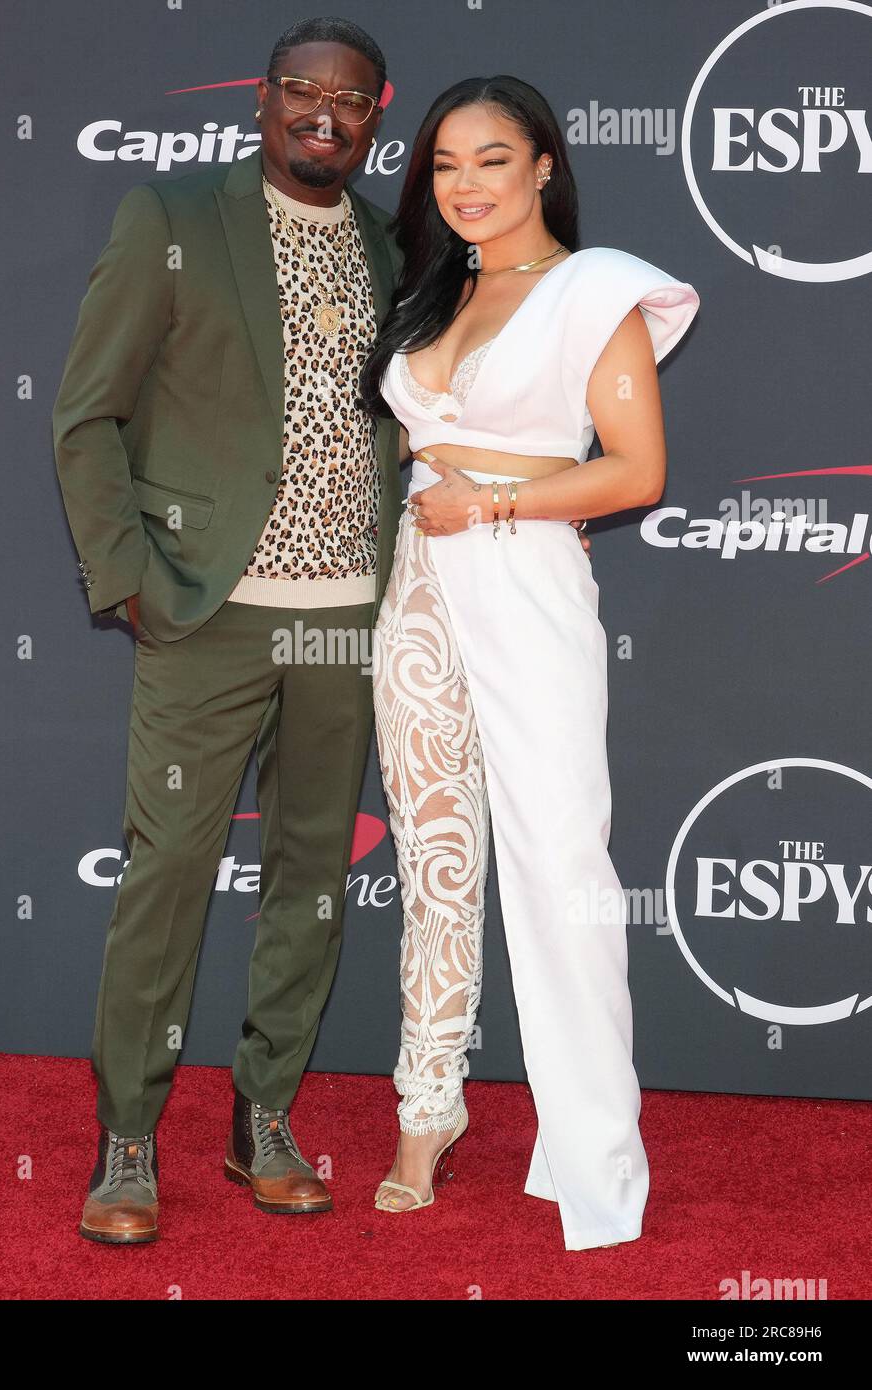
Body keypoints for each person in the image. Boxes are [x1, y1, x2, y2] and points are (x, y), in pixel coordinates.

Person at [51, 17, 405, 1243]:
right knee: (167, 876)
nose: (323, 113)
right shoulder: (174, 217)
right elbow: (84, 416)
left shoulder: (385, 243)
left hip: (338, 624)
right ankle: (127, 1139)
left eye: (347, 99)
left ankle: (263, 1120)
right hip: (207, 610)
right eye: (300, 91)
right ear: (260, 101)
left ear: (376, 113)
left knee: (312, 878)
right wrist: (128, 578)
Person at [358, 74, 700, 1250]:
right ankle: (425, 1111)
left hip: (524, 581)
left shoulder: (592, 290)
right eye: (444, 165)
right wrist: (446, 518)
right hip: (418, 590)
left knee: (559, 863)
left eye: (489, 160)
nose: (463, 185)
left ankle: (592, 1146)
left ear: (543, 164)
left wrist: (495, 505)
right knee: (436, 854)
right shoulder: (433, 288)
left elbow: (635, 472)